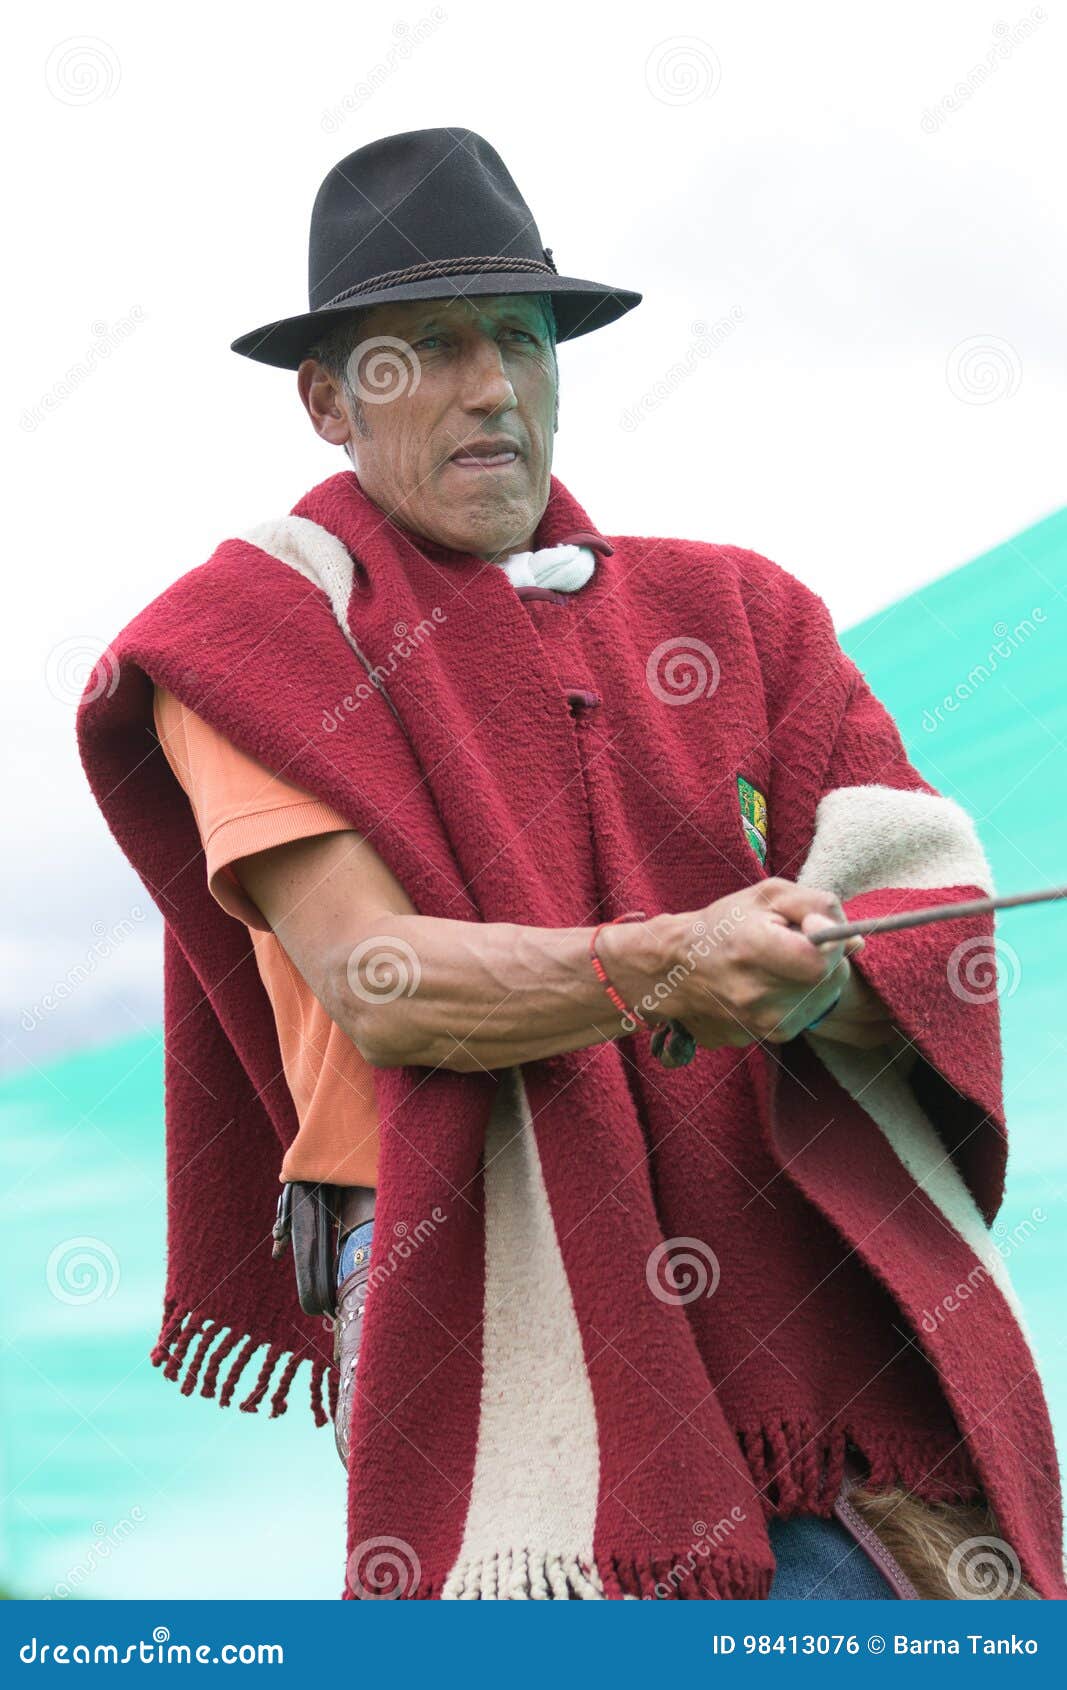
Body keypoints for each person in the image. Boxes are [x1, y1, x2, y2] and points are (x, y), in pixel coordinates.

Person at [77, 127, 1060, 1601]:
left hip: (801, 1326)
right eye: (426, 349)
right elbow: (386, 984)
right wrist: (676, 961)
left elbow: (924, 907)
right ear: (328, 400)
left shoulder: (742, 612)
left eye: (523, 341)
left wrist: (816, 981)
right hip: (474, 1303)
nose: (491, 387)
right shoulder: (248, 644)